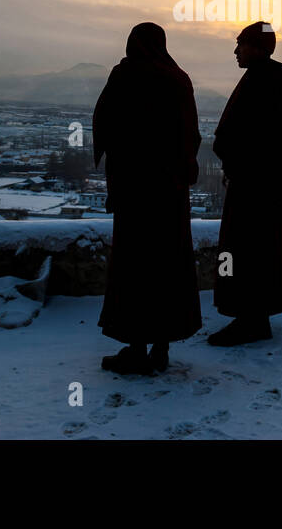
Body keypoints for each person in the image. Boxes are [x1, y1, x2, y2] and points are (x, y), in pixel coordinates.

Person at [92, 22, 202, 374]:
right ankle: (161, 348)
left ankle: (137, 347)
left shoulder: (126, 75)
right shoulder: (179, 79)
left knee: (135, 266)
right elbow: (191, 135)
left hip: (135, 191)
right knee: (168, 265)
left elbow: (106, 124)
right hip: (169, 193)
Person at [209, 21, 282, 346]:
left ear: (257, 47)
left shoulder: (269, 79)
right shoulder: (268, 78)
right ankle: (252, 317)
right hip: (257, 187)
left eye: (241, 44)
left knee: (249, 253)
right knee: (254, 253)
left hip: (258, 190)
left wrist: (277, 186)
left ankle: (250, 320)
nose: (236, 51)